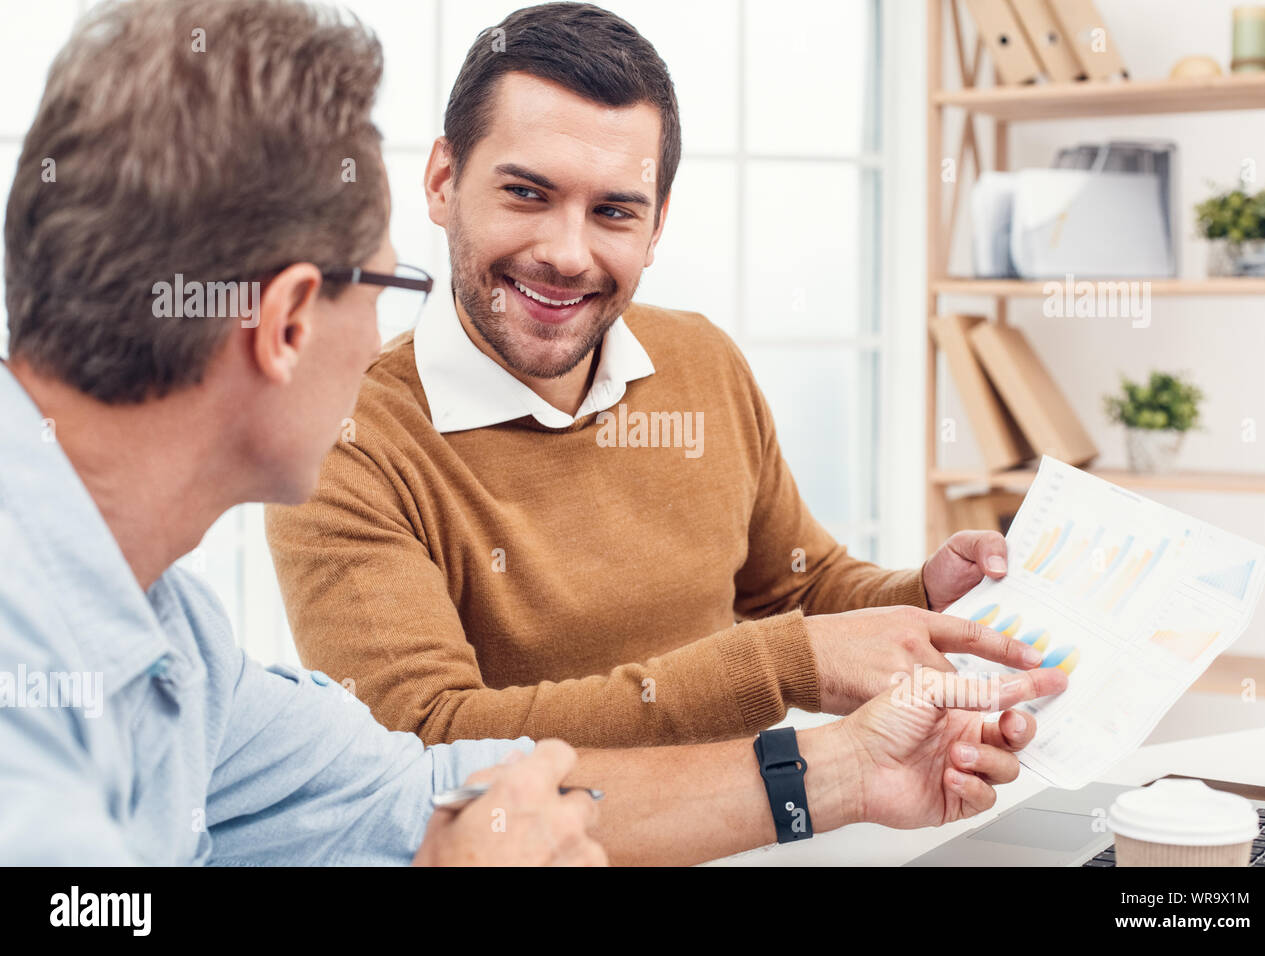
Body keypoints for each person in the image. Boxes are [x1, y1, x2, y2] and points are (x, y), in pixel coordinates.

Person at [0, 0, 1064, 867]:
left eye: (613, 209)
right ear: (284, 322)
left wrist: (846, 769)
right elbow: (438, 755)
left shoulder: (175, 642)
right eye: (386, 281)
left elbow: (420, 795)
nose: (382, 331)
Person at [266, 1, 1042, 750]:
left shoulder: (702, 362)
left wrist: (924, 597)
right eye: (527, 193)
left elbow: (799, 587)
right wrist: (778, 666)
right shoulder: (343, 435)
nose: (567, 255)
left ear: (658, 223)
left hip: (754, 835)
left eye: (613, 212)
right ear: (442, 182)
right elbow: (426, 745)